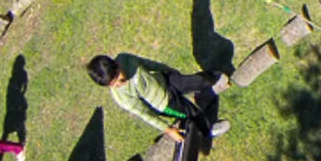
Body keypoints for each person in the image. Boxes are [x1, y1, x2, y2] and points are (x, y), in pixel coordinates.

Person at [87, 53, 230, 142]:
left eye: (117, 76)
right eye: (113, 84)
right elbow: (145, 114)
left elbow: (147, 64)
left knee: (195, 80)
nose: (119, 82)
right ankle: (208, 130)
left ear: (116, 64)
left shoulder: (125, 59)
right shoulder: (122, 97)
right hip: (165, 104)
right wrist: (167, 129)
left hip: (165, 80)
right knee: (192, 113)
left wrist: (166, 69)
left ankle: (213, 81)